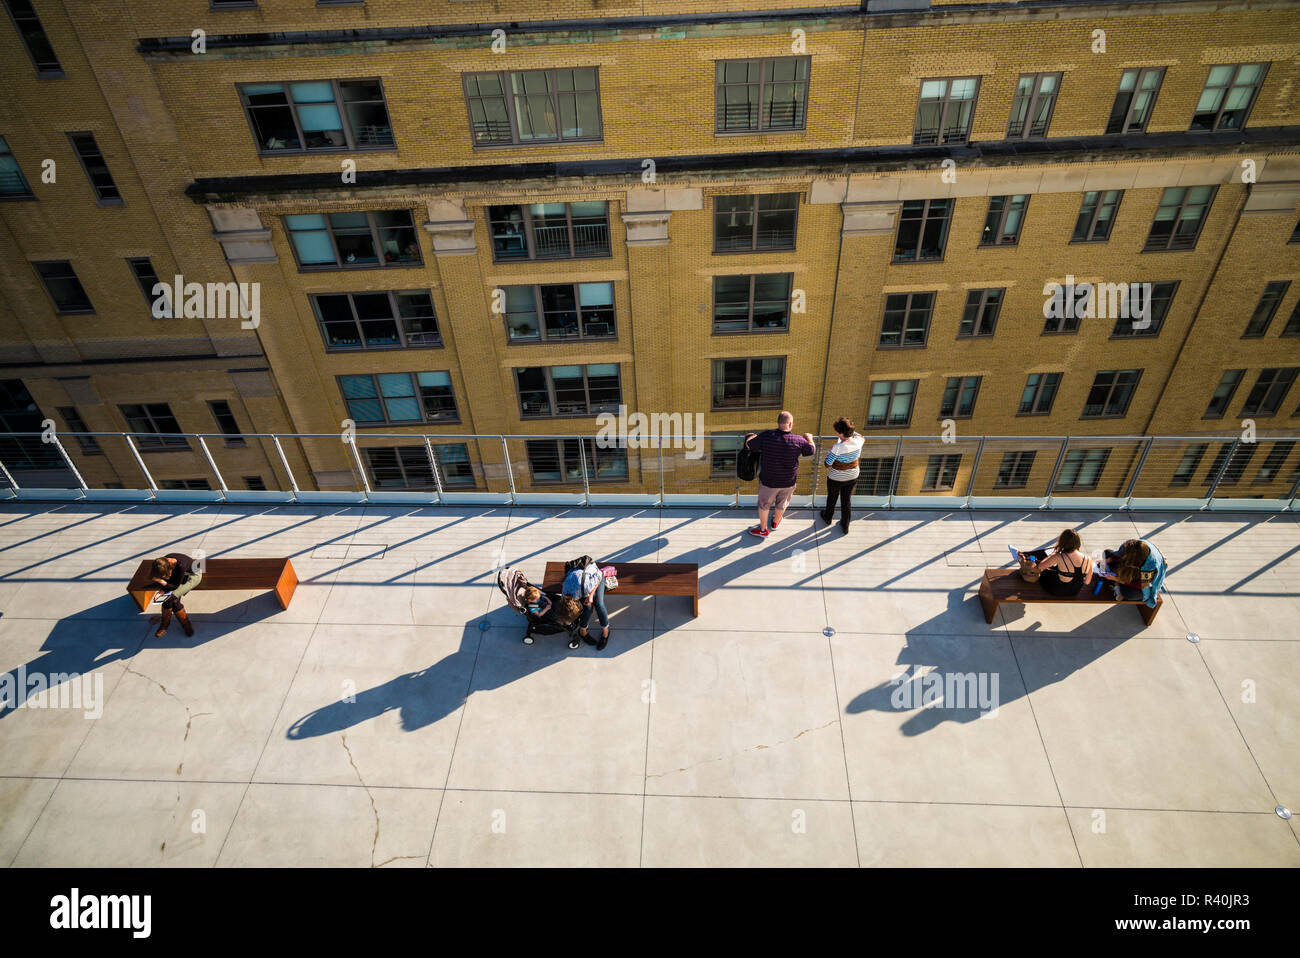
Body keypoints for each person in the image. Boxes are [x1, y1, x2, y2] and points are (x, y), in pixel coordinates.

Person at [744, 411, 815, 538]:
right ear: (790, 424)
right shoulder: (798, 440)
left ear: (778, 423)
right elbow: (811, 450)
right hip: (788, 481)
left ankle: (763, 530)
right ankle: (775, 523)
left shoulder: (767, 436)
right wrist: (809, 438)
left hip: (769, 481)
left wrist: (751, 436)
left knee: (764, 505)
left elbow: (749, 445)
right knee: (782, 504)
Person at [1014, 529, 1093, 597]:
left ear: (1062, 542)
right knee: (1058, 570)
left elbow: (1040, 567)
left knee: (1043, 569)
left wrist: (1053, 553)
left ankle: (1023, 555)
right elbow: (1087, 581)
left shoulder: (1059, 556)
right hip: (1075, 591)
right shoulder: (1088, 559)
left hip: (1057, 591)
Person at [820, 417, 864, 533]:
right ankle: (845, 525)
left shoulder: (838, 447)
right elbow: (860, 435)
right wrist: (850, 430)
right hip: (853, 476)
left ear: (840, 433)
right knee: (846, 500)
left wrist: (830, 453)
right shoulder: (859, 441)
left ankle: (827, 517)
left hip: (836, 478)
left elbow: (827, 464)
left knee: (832, 498)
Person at [1103, 538, 1168, 607]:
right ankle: (1118, 582)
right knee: (1107, 553)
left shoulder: (1149, 568)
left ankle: (1118, 587)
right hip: (1131, 569)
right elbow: (1119, 554)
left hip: (1140, 582)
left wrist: (1117, 579)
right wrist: (1108, 560)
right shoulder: (1131, 545)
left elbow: (1141, 586)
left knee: (1129, 593)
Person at [562, 558, 610, 651]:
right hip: (579, 581)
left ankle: (606, 632)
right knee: (587, 607)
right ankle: (582, 631)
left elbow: (599, 576)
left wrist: (590, 595)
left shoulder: (586, 586)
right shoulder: (565, 593)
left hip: (596, 576)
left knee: (599, 604)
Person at [150, 553, 200, 638]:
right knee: (169, 599)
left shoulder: (181, 565)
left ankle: (170, 625)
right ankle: (171, 624)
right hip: (180, 575)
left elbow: (175, 586)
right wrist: (161, 591)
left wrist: (162, 582)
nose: (163, 577)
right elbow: (171, 580)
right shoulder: (163, 562)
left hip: (192, 575)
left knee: (172, 598)